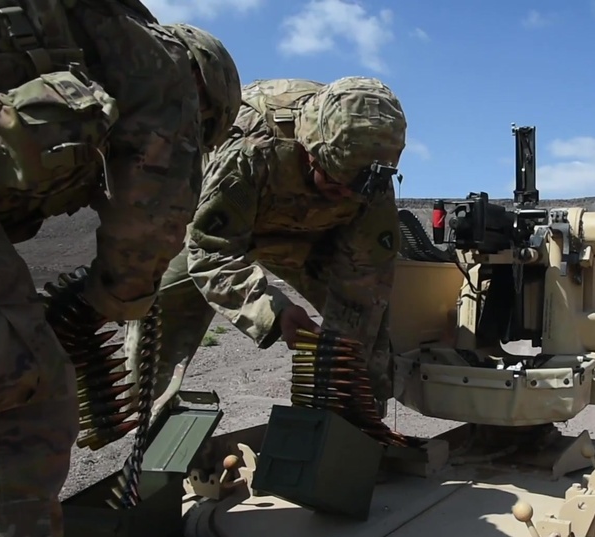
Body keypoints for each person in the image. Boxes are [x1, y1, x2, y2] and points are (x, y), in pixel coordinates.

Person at [0, 1, 240, 537]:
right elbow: (151, 220)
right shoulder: (165, 68)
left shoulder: (79, 34)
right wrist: (112, 297)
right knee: (11, 404)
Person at [142, 76, 407, 419]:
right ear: (309, 151)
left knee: (362, 345)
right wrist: (274, 312)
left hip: (315, 237)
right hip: (224, 224)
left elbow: (365, 280)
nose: (348, 195)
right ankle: (146, 432)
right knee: (157, 310)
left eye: (358, 188)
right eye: (336, 183)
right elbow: (211, 249)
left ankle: (351, 434)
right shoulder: (251, 148)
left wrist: (341, 362)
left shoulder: (370, 177)